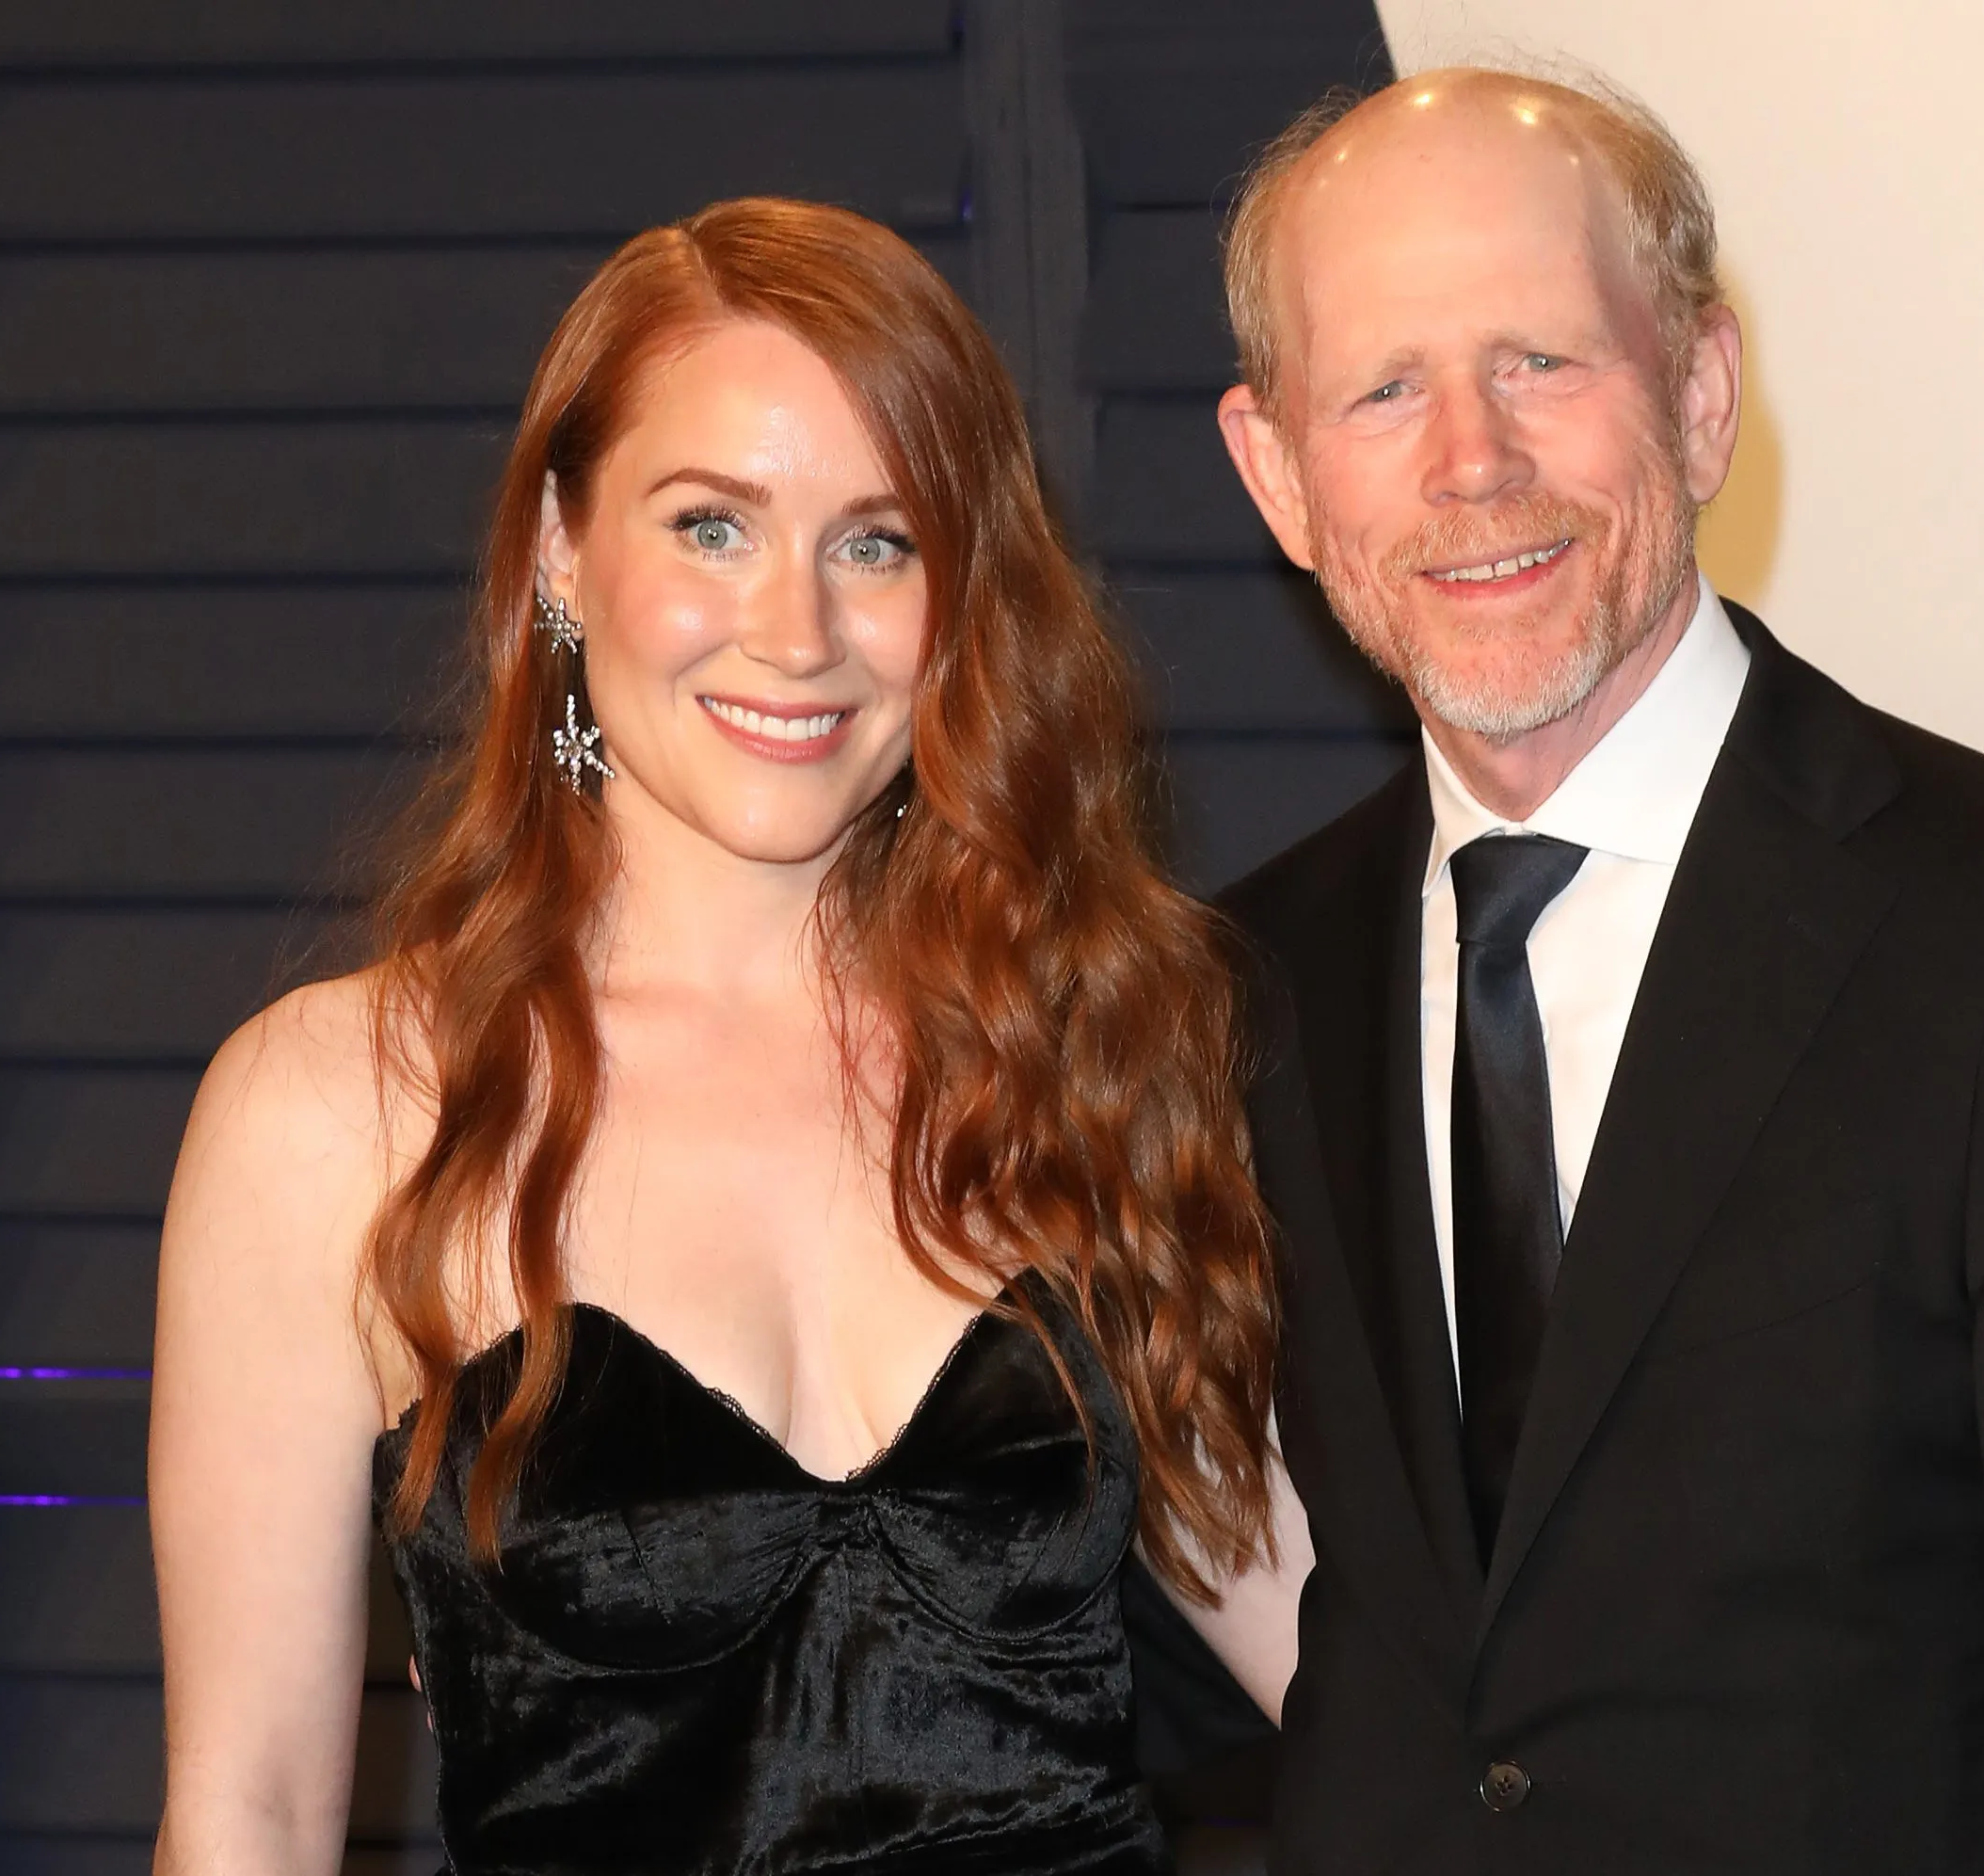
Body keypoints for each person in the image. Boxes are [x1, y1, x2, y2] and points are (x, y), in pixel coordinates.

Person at [1181, 68, 1984, 1871]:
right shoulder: (1227, 991)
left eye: (1541, 362)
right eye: (1383, 389)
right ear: (1276, 475)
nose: (1471, 461)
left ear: (1702, 395)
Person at [149, 199, 1292, 1875]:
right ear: (558, 548)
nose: (797, 631)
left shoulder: (1080, 1055)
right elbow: (245, 1812)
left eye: (877, 542)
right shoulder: (339, 1111)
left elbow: (1348, 1668)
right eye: (710, 526)